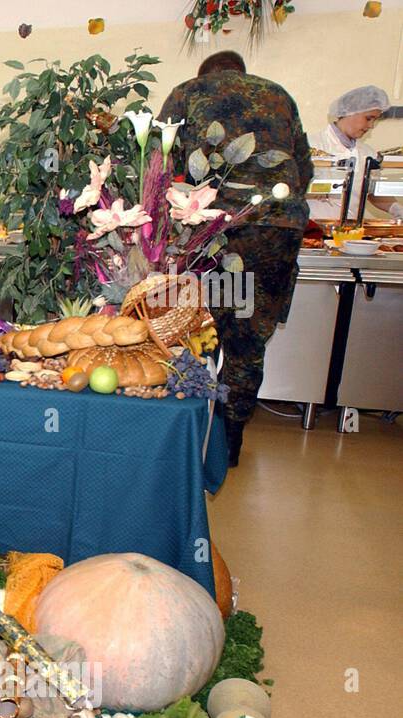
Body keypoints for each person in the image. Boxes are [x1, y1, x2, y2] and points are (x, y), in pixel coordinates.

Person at [158, 51, 314, 467]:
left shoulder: (188, 92)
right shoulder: (279, 95)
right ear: (240, 73)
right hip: (275, 229)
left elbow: (161, 162)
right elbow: (304, 170)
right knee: (246, 336)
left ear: (204, 75)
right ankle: (230, 440)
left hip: (213, 228)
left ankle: (189, 435)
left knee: (195, 326)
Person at [307, 85, 403, 224]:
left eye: (375, 120)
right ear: (350, 112)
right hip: (313, 229)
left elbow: (372, 192)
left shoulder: (367, 153)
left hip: (350, 230)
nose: (371, 126)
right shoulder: (310, 145)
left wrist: (397, 209)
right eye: (368, 118)